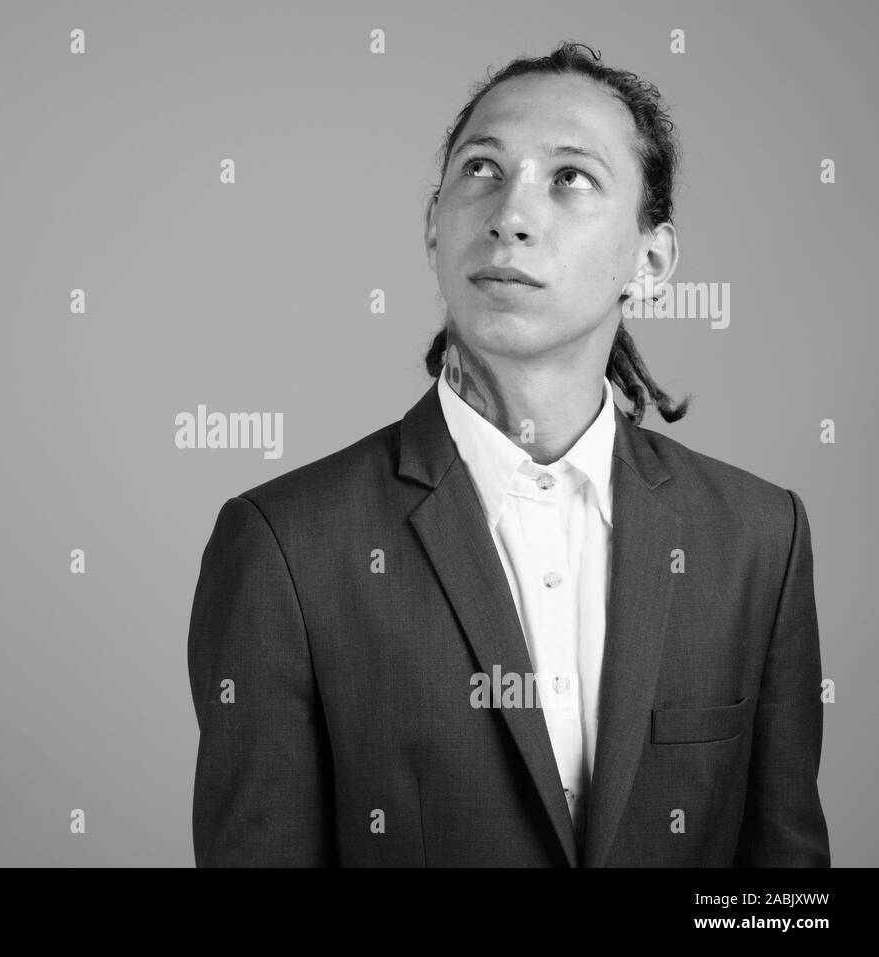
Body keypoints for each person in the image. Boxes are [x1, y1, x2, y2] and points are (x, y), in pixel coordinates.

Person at [186, 41, 829, 867]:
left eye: (571, 178)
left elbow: (781, 894)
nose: (510, 215)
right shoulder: (284, 547)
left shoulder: (757, 537)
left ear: (652, 261)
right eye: (482, 169)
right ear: (433, 224)